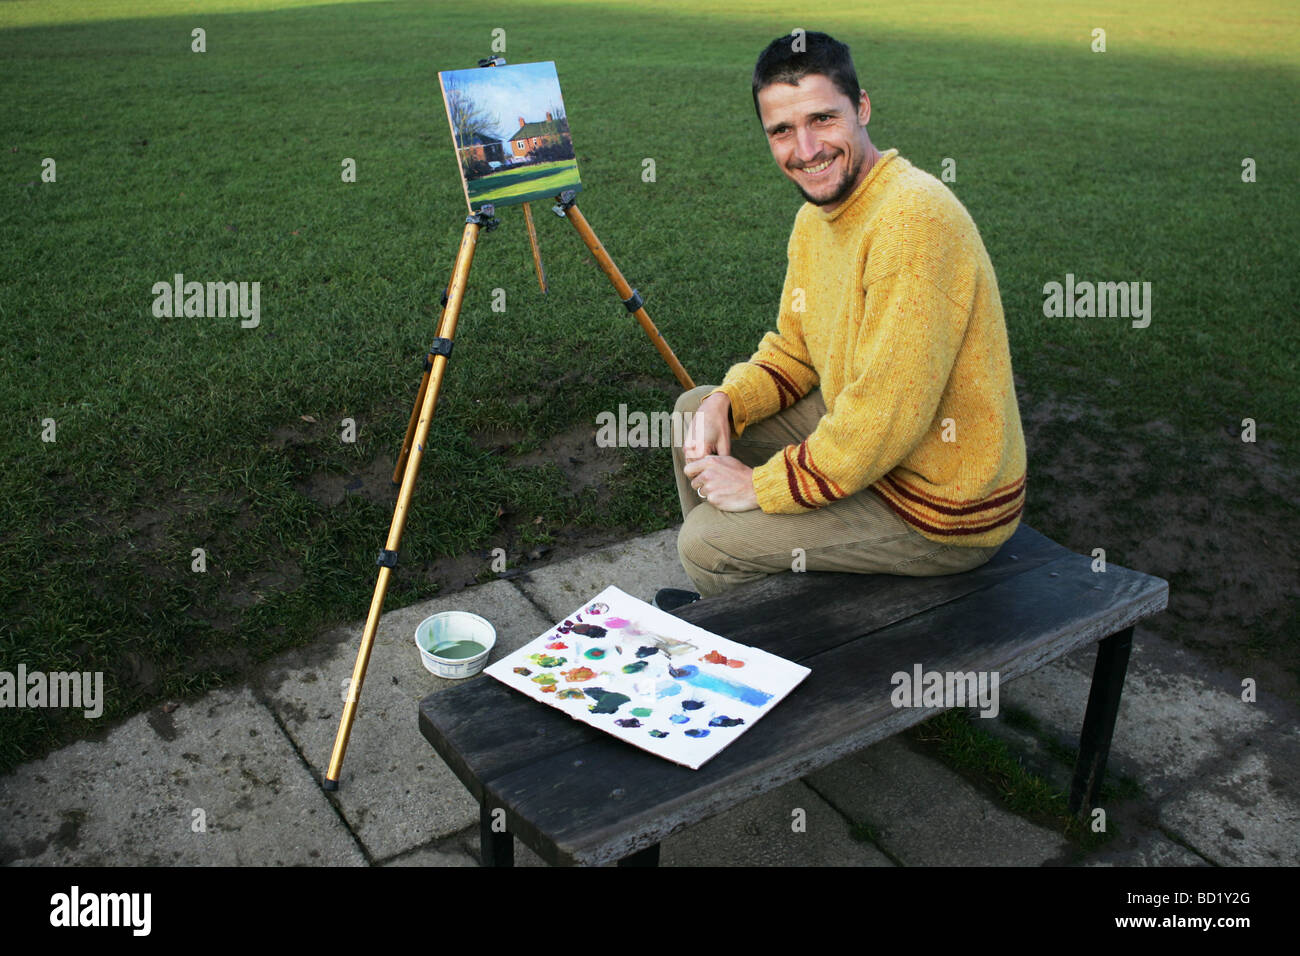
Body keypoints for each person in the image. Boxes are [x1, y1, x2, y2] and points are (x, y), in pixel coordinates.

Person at [659, 31, 1026, 609]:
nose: (804, 149)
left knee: (705, 543)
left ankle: (768, 632)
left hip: (938, 502)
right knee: (695, 412)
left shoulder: (913, 221)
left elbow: (886, 417)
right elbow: (793, 350)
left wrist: (758, 487)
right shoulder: (818, 217)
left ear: (862, 108)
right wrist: (727, 401)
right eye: (782, 130)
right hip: (876, 444)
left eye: (822, 119)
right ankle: (742, 598)